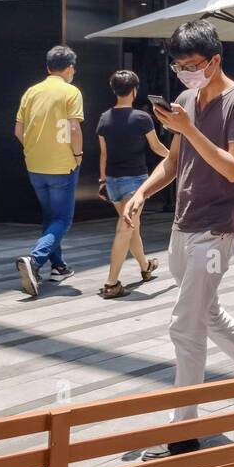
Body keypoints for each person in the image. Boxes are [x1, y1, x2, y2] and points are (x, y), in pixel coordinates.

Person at [122, 20, 234, 450]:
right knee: (206, 312)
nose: (186, 74)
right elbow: (174, 163)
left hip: (216, 229)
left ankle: (183, 425)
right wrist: (141, 191)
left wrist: (188, 128)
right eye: (178, 67)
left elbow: (233, 168)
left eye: (192, 65)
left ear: (215, 59)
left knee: (185, 325)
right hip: (182, 223)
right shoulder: (185, 100)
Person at [14, 45, 84, 296]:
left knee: (50, 216)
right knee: (62, 219)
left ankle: (59, 267)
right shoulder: (71, 92)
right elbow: (74, 129)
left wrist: (34, 149)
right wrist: (77, 155)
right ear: (69, 68)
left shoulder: (31, 92)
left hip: (35, 164)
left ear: (47, 67)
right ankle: (34, 260)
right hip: (62, 164)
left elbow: (18, 132)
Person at [96, 69, 166, 298]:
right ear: (134, 91)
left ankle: (146, 267)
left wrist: (102, 181)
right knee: (125, 228)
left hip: (113, 182)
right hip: (135, 182)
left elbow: (103, 154)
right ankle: (111, 283)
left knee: (130, 226)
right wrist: (175, 157)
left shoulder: (104, 117)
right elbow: (156, 147)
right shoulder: (141, 118)